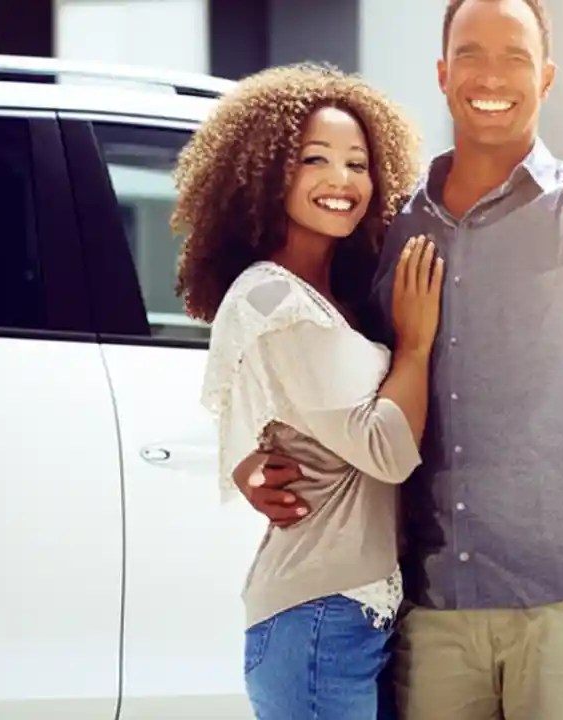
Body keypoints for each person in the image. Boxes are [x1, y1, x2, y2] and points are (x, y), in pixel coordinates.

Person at [237, 1, 563, 718]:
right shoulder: (386, 228)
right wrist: (251, 455)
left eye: (516, 56)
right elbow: (307, 346)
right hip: (430, 605)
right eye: (471, 54)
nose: (492, 75)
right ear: (443, 75)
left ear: (548, 77)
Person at [173, 63, 440, 720]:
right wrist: (415, 346)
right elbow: (388, 451)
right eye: (313, 159)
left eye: (357, 162)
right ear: (267, 174)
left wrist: (249, 467)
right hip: (318, 618)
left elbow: (268, 415)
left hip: (352, 614)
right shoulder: (274, 299)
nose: (342, 180)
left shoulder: (335, 300)